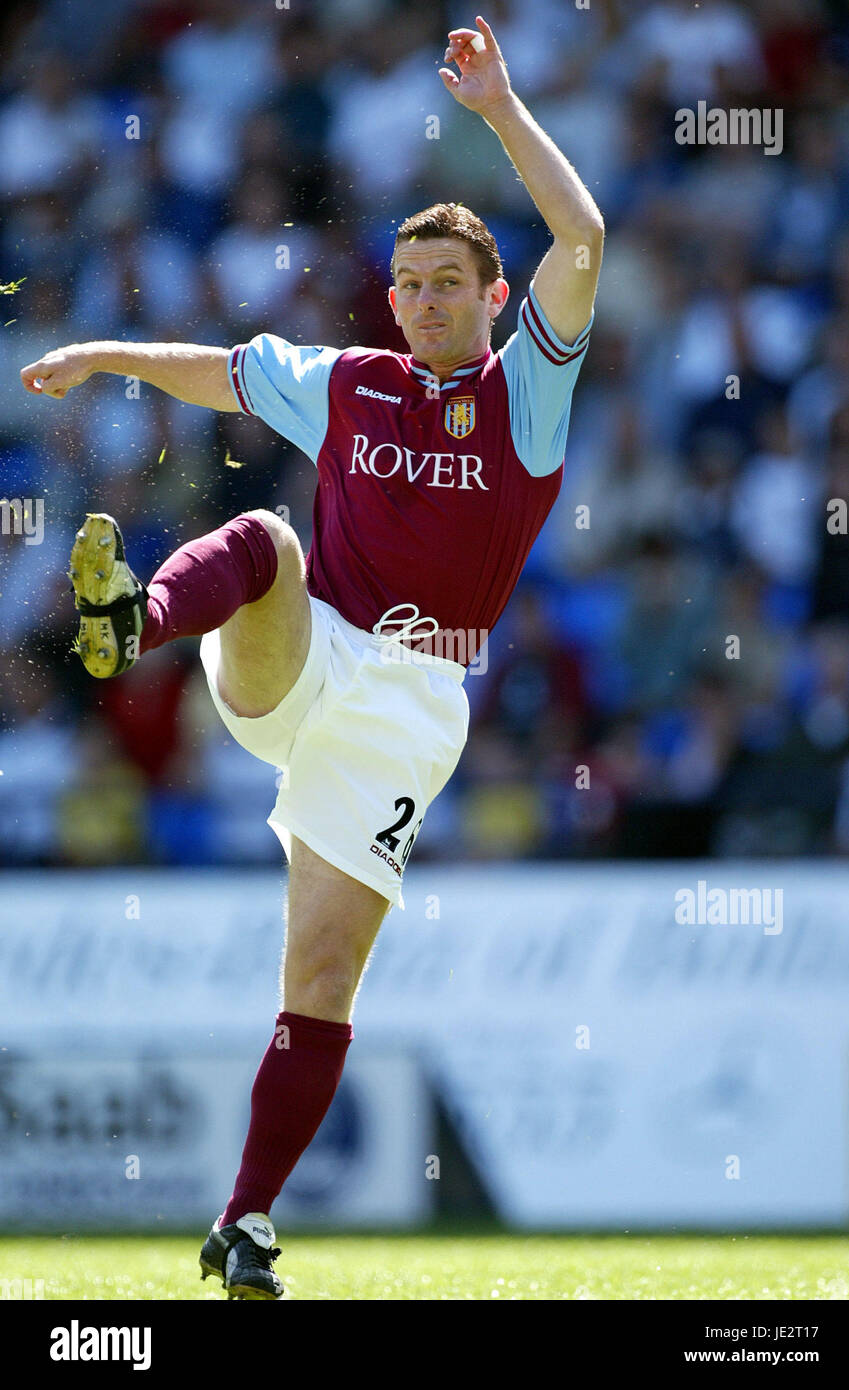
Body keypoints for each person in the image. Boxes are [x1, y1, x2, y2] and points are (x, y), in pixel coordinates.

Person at [20, 15, 603, 1299]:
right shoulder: (349, 382)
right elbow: (219, 374)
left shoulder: (524, 396)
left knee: (322, 978)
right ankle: (133, 624)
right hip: (304, 653)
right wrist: (105, 353)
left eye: (447, 283)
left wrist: (499, 108)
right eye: (407, 283)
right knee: (271, 535)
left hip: (413, 712)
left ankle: (245, 1222)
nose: (422, 300)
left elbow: (584, 239)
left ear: (491, 299)